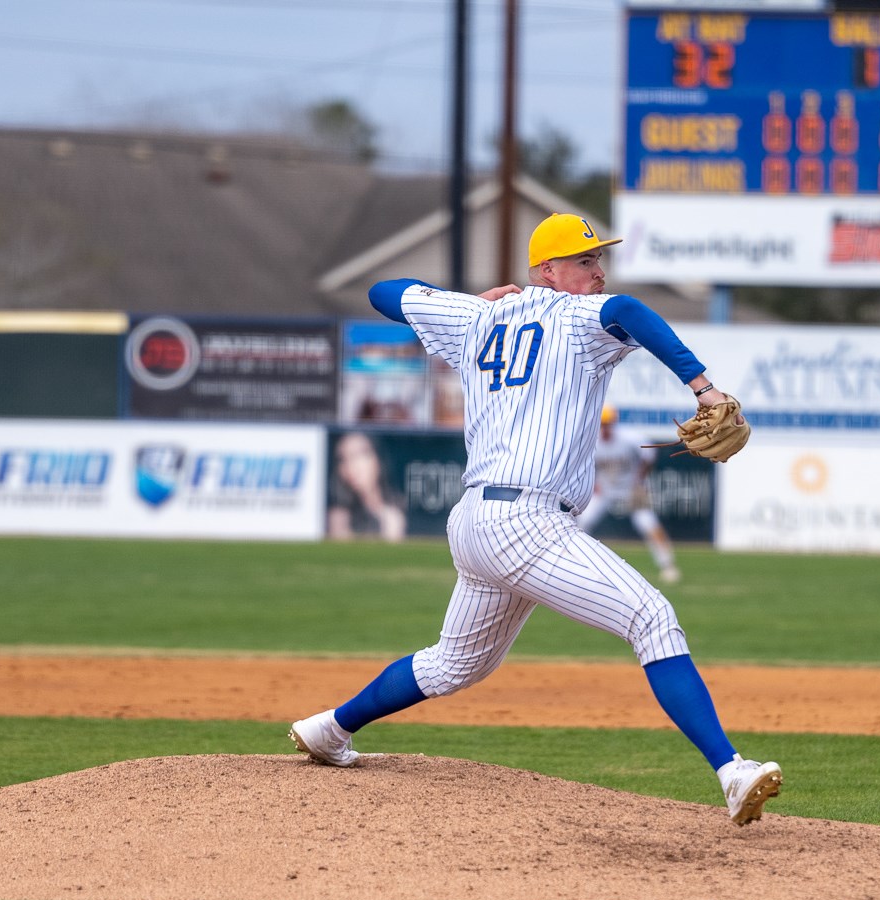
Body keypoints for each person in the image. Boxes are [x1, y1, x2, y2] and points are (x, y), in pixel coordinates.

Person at [288, 213, 782, 825]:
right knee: (651, 615)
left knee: (453, 664)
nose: (596, 270)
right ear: (545, 271)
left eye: (598, 258)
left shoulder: (476, 319)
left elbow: (382, 293)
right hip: (524, 520)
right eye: (582, 261)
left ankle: (329, 728)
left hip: (476, 521)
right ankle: (731, 771)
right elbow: (629, 311)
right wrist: (703, 388)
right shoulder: (576, 316)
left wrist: (467, 303)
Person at [579, 403, 681, 584]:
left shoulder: (629, 438)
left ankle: (668, 565)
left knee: (647, 523)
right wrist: (594, 483)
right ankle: (578, 565)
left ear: (614, 422)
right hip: (606, 490)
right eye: (602, 424)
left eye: (608, 424)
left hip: (630, 489)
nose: (605, 428)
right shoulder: (590, 441)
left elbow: (649, 456)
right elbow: (583, 466)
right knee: (582, 522)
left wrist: (639, 479)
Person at [326, 431, 407, 541]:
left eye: (359, 455)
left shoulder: (395, 513)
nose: (351, 466)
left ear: (378, 459)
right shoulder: (339, 516)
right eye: (343, 459)